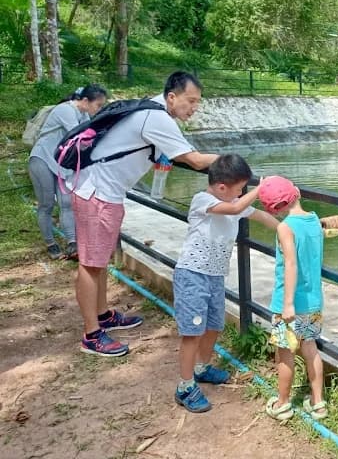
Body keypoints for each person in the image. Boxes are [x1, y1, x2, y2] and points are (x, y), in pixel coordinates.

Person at [71, 71, 219, 358]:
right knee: (90, 264)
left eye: (198, 103)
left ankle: (102, 316)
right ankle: (91, 335)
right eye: (190, 101)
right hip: (97, 193)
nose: (194, 108)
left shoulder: (151, 108)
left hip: (101, 190)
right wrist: (233, 162)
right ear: (172, 97)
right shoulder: (158, 117)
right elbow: (194, 160)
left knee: (98, 260)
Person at [173, 154, 279, 412]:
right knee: (192, 333)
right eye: (240, 188)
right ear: (222, 187)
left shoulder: (234, 201)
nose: (242, 193)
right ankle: (185, 386)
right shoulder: (204, 200)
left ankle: (202, 368)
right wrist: (258, 190)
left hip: (215, 276)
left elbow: (262, 217)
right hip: (192, 275)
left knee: (214, 325)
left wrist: (289, 230)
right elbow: (233, 209)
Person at [260, 176, 328, 422]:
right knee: (310, 348)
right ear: (297, 192)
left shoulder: (284, 227)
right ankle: (318, 403)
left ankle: (282, 403)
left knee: (285, 353)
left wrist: (287, 303)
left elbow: (290, 263)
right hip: (313, 302)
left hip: (288, 305)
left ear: (272, 209)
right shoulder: (314, 221)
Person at [28, 84, 108, 260]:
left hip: (61, 163)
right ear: (86, 101)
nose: (99, 109)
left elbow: (90, 136)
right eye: (99, 105)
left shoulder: (83, 114)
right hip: (42, 159)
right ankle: (50, 243)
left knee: (66, 202)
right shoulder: (66, 110)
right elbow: (79, 136)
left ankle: (72, 243)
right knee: (47, 204)